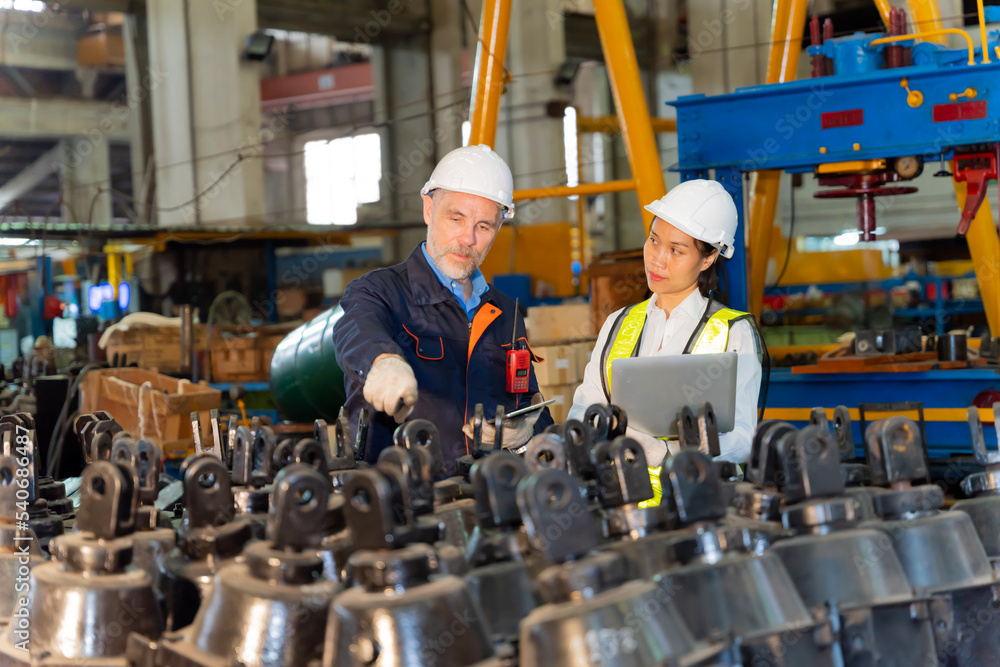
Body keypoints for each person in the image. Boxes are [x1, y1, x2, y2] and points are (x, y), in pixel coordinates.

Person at [333, 144, 553, 470]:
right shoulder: (379, 291)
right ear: (428, 209)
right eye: (456, 218)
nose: (468, 238)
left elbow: (530, 404)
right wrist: (384, 363)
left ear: (497, 229)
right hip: (398, 500)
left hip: (484, 496)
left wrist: (527, 433)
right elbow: (356, 332)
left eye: (483, 226)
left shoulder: (505, 314)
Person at [568, 179, 763, 484]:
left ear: (708, 257)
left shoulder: (733, 331)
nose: (657, 259)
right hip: (623, 505)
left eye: (676, 250)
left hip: (702, 506)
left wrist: (667, 450)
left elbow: (743, 437)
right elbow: (584, 410)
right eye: (654, 240)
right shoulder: (618, 323)